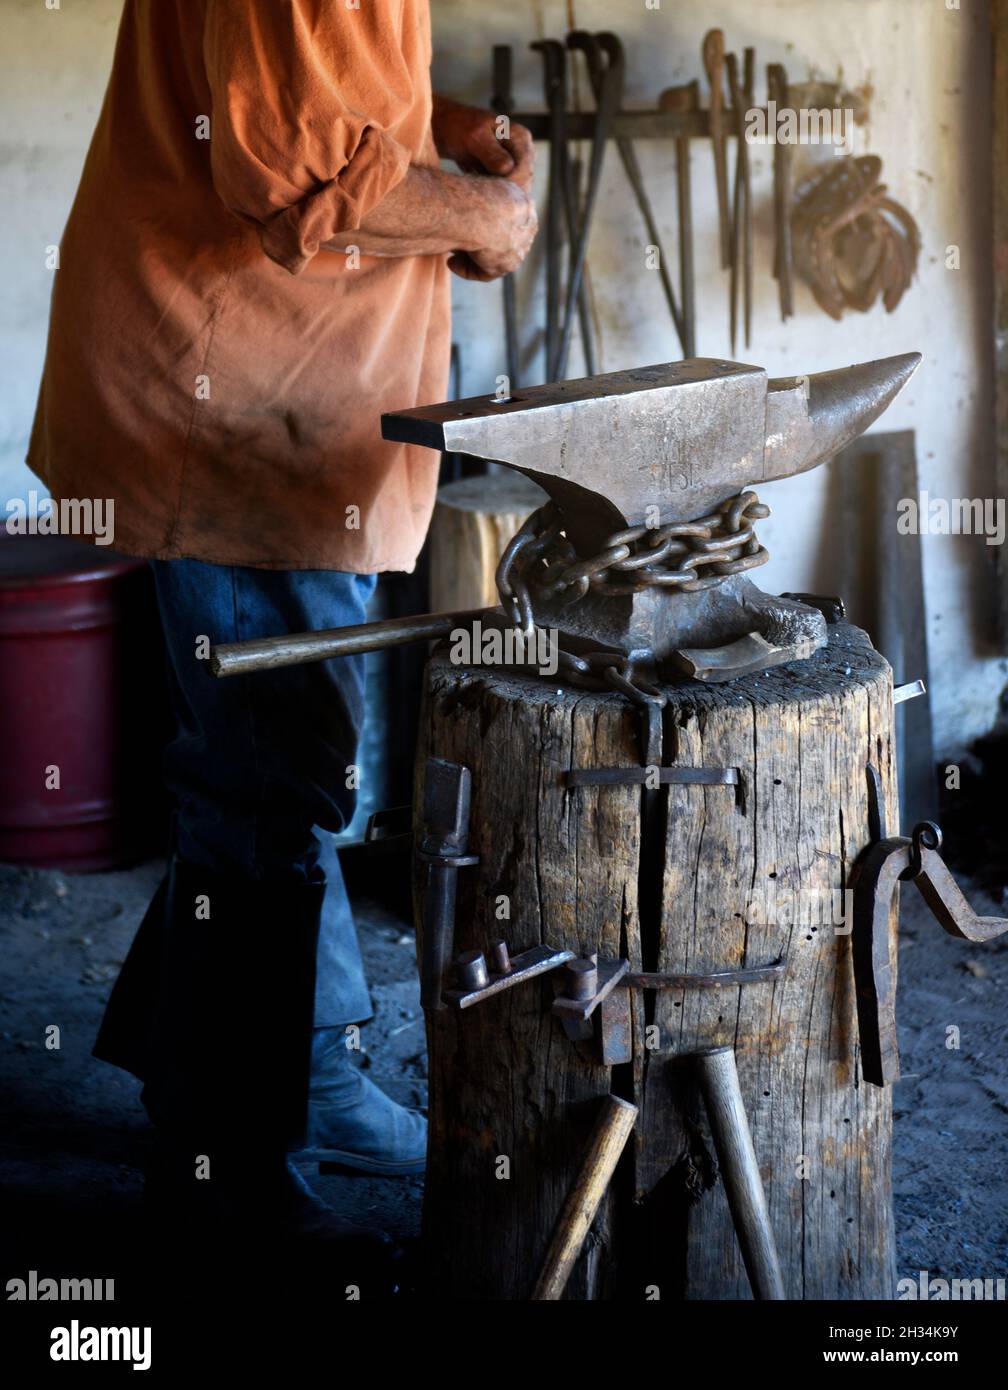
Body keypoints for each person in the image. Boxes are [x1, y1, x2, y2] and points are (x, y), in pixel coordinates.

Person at [27, 0, 537, 1239]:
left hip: (301, 402)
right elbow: (287, 173)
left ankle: (300, 1080)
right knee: (264, 795)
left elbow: (313, 102)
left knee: (275, 785)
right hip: (244, 405)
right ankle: (224, 1177)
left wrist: (446, 131)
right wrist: (487, 215)